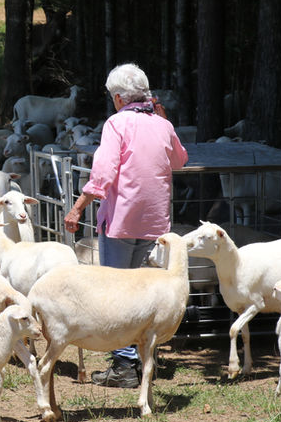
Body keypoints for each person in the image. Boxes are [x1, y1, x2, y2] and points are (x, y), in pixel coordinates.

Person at [63, 63, 189, 388]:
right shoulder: (162, 125)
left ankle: (123, 367)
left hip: (121, 221)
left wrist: (78, 208)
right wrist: (164, 120)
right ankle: (145, 359)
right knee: (146, 291)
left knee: (118, 292)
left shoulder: (116, 124)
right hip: (156, 223)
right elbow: (180, 160)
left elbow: (103, 173)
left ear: (119, 98)